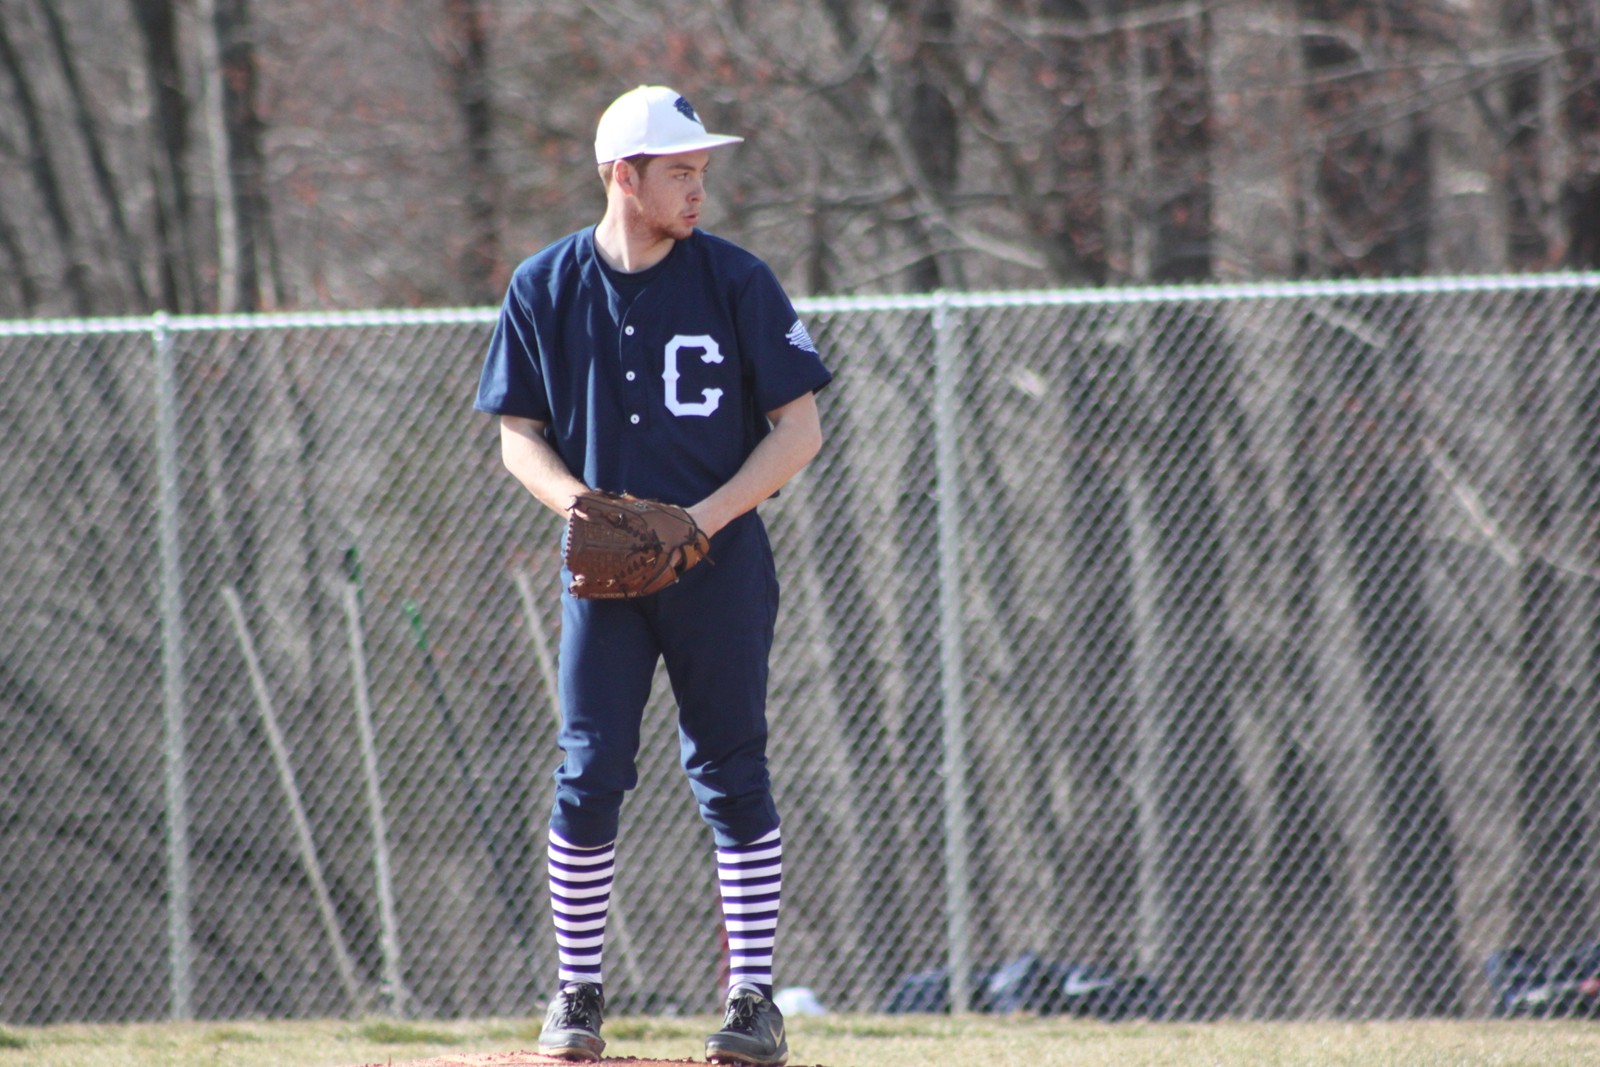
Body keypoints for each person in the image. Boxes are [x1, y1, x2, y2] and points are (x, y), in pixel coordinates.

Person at [473, 85, 832, 1066]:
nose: (697, 188)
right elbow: (518, 437)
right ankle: (576, 992)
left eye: (702, 171)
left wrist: (696, 521)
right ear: (619, 175)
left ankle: (752, 998)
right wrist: (585, 510)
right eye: (679, 171)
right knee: (588, 772)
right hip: (605, 568)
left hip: (717, 562)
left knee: (731, 768)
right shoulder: (544, 284)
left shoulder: (735, 279)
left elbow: (798, 429)